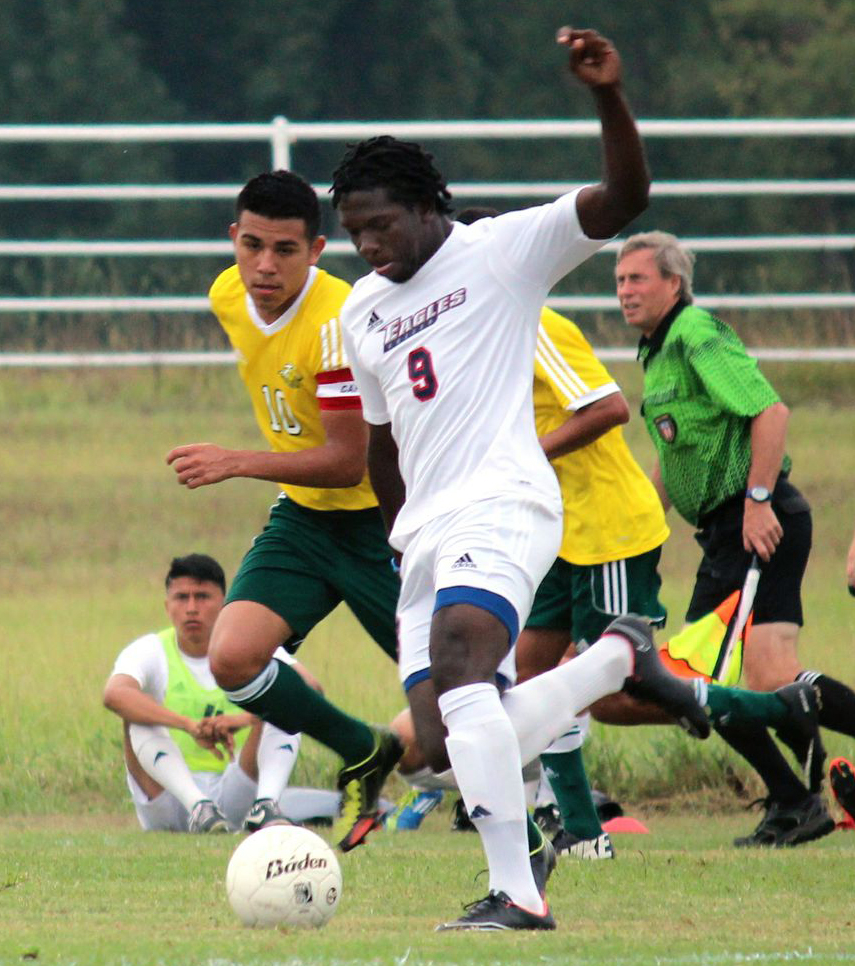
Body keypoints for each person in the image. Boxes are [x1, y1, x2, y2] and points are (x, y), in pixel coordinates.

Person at [332, 27, 709, 932]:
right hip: (424, 532)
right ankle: (617, 659)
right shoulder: (362, 309)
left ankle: (519, 893)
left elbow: (623, 198)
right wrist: (396, 538)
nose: (368, 245)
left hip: (504, 502)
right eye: (352, 233)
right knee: (443, 744)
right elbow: (382, 444)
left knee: (465, 668)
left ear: (426, 206)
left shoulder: (500, 250)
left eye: (380, 225)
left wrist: (607, 96)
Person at [385, 264, 827, 854]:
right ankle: (583, 832)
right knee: (532, 676)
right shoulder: (461, 342)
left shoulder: (533, 326)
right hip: (551, 531)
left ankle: (774, 709)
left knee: (614, 693)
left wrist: (520, 455)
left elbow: (609, 409)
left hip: (607, 533)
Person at [165, 171, 403, 851]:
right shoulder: (227, 294)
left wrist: (235, 460)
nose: (264, 265)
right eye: (252, 245)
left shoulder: (337, 323)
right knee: (232, 657)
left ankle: (546, 815)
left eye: (285, 250)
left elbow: (347, 460)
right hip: (304, 517)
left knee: (453, 695)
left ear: (317, 250)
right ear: (233, 240)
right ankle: (363, 749)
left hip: (383, 523)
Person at [615, 228, 855, 843]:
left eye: (638, 278)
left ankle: (794, 802)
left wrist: (757, 500)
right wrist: (633, 522)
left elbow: (770, 411)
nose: (625, 291)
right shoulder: (657, 353)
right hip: (734, 530)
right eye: (619, 281)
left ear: (674, 283)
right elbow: (678, 457)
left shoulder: (696, 333)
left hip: (754, 523)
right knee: (773, 677)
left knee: (699, 680)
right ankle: (798, 802)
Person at [103, 553, 339, 833]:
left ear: (226, 604)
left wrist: (244, 720)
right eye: (182, 598)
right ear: (168, 606)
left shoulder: (249, 647)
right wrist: (188, 726)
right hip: (169, 798)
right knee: (136, 716)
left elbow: (312, 689)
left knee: (289, 708)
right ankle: (199, 807)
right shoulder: (151, 650)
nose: (192, 608)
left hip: (236, 791)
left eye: (202, 597)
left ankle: (266, 805)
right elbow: (114, 695)